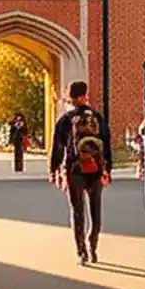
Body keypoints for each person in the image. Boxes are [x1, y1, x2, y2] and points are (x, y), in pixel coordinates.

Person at [50, 81, 112, 265]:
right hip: (96, 168)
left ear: (71, 97)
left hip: (74, 168)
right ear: (85, 95)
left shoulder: (66, 119)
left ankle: (82, 252)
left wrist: (54, 170)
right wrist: (107, 169)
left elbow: (58, 147)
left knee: (77, 211)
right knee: (95, 210)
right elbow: (106, 144)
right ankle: (93, 246)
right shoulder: (98, 118)